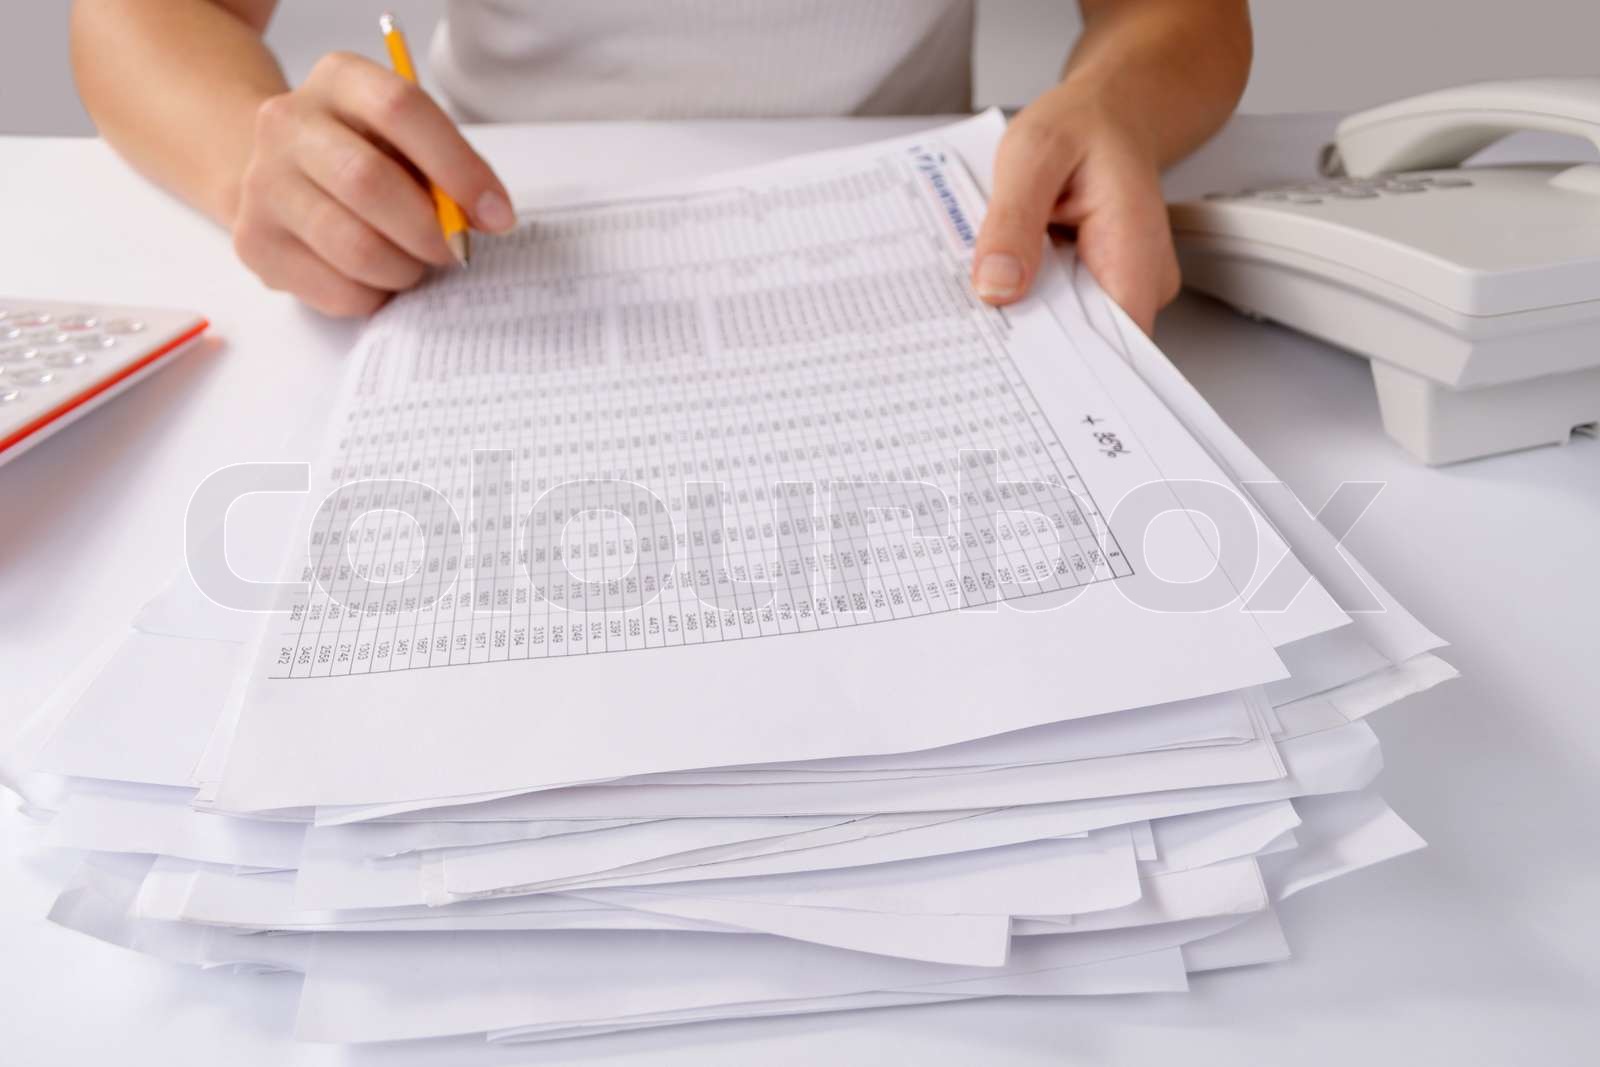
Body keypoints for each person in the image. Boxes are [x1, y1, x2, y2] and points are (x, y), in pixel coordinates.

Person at [69, 1, 1251, 333]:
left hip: (915, 235)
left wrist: (1114, 103)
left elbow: (1183, 13)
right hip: (477, 240)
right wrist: (259, 159)